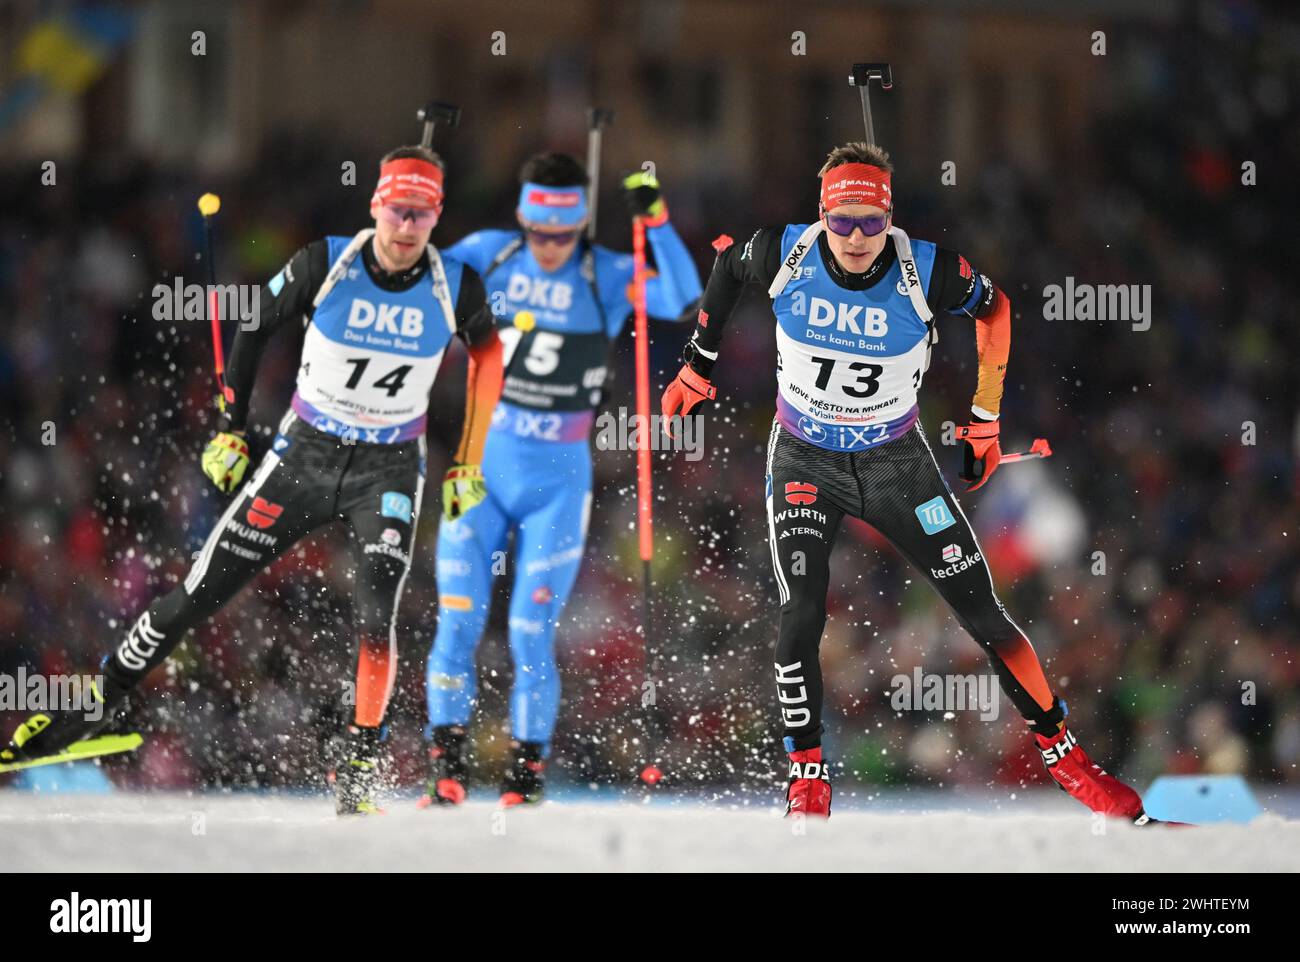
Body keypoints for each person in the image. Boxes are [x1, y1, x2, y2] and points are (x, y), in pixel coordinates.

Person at [4, 145, 504, 816]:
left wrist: (469, 457)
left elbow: (489, 356)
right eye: (397, 209)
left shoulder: (455, 284)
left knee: (376, 617)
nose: (406, 227)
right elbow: (254, 324)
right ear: (376, 205)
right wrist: (230, 427)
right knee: (197, 594)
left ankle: (358, 772)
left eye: (421, 214)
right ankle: (98, 708)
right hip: (304, 456)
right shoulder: (326, 263)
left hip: (386, 467)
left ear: (436, 217)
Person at [661, 142, 1150, 822]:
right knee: (801, 608)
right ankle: (807, 775)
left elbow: (997, 311)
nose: (857, 238)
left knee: (984, 613)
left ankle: (1065, 757)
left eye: (872, 223)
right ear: (822, 216)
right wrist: (697, 364)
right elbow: (726, 267)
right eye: (843, 222)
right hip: (806, 459)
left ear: (889, 218)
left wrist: (983, 420)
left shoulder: (927, 270)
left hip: (897, 464)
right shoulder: (785, 252)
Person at [421, 153, 701, 807]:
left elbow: (685, 296)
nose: (549, 248)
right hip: (479, 469)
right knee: (457, 624)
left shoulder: (604, 273)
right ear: (523, 218)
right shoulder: (489, 254)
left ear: (578, 225)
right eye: (540, 233)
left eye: (563, 235)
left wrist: (655, 218)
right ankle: (447, 769)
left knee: (529, 629)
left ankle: (526, 776)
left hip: (557, 481)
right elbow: (415, 275)